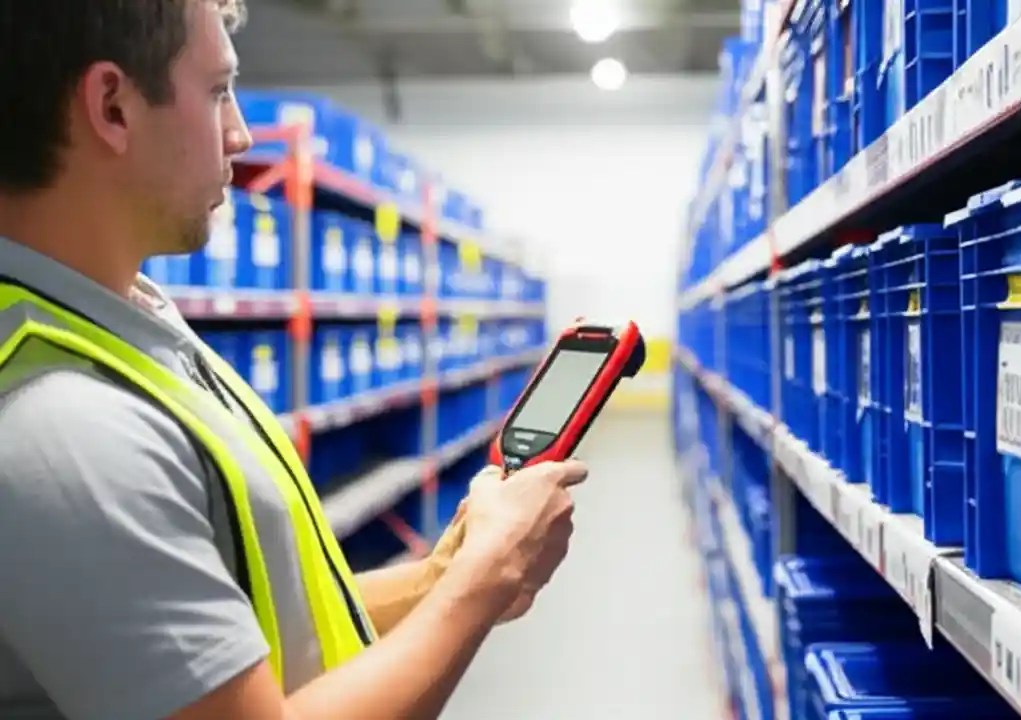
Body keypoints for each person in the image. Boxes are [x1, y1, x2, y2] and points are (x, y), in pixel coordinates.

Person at [0, 2, 586, 719]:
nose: (240, 132)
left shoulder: (126, 319)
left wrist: (445, 575)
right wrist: (482, 582)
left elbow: (266, 631)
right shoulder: (64, 426)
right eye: (217, 90)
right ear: (113, 106)